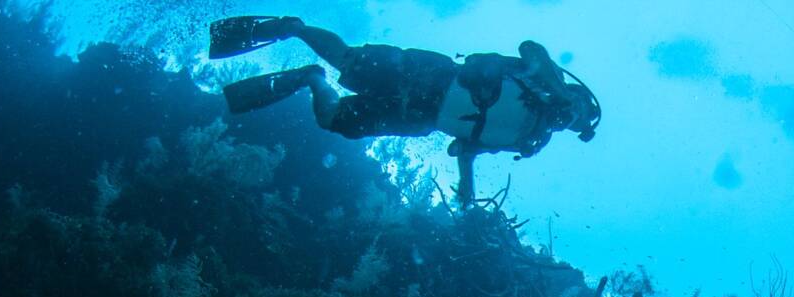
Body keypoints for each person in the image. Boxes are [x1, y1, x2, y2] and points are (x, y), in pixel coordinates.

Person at [208, 16, 600, 201]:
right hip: (429, 75)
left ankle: (311, 78)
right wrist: (560, 93)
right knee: (348, 60)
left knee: (333, 119)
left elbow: (468, 149)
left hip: (419, 120)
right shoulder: (541, 77)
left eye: (577, 123)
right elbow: (532, 47)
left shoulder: (527, 139)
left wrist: (467, 191)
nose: (571, 117)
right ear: (575, 93)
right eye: (578, 107)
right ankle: (293, 28)